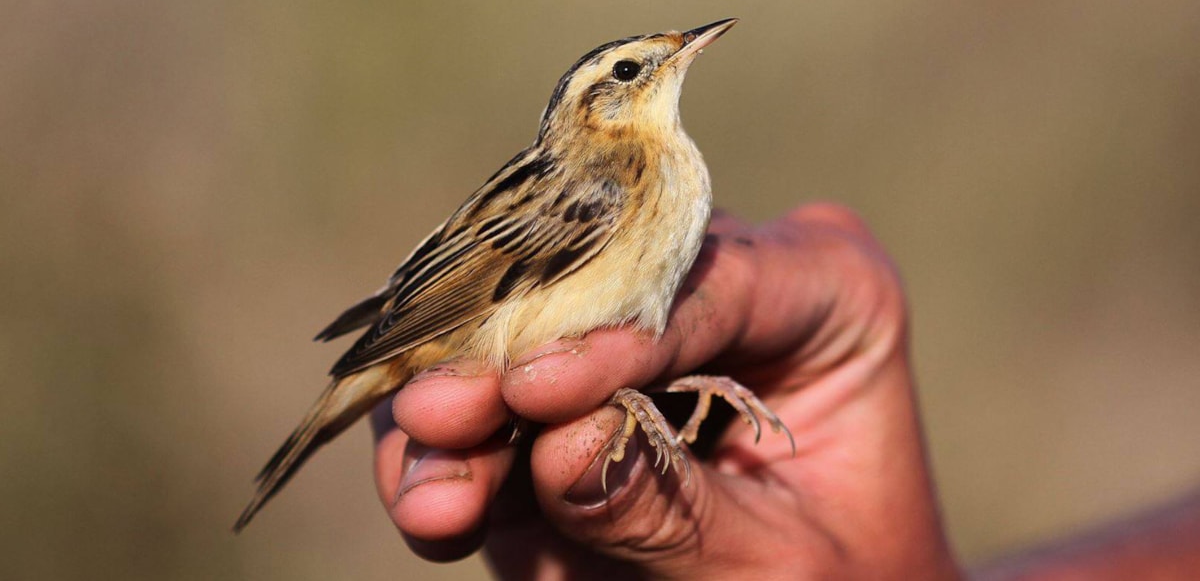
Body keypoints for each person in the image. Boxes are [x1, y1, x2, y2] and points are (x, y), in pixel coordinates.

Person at [370, 204, 1200, 579]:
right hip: (472, 332)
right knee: (563, 386)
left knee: (573, 384)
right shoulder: (610, 184)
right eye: (630, 73)